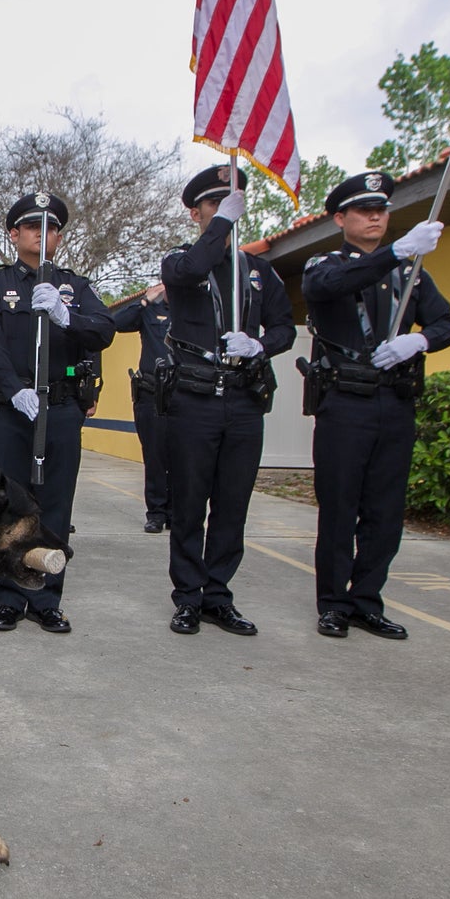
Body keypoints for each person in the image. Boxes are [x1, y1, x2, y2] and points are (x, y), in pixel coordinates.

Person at [302, 172, 450, 640]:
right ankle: (333, 603)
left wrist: (421, 341)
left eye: (381, 211)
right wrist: (397, 250)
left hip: (394, 401)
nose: (375, 217)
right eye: (363, 211)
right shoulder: (325, 264)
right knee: (339, 507)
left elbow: (448, 322)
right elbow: (327, 287)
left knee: (385, 511)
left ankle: (367, 600)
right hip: (344, 404)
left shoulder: (409, 275)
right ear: (340, 219)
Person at [0, 192, 115, 634]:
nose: (43, 233)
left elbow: (105, 329)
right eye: (33, 226)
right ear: (14, 235)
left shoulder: (77, 286)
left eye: (51, 227)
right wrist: (13, 390)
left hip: (62, 409)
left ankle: (47, 598)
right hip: (12, 411)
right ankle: (10, 598)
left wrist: (66, 315)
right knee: (10, 506)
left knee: (55, 506)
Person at [160, 166, 295, 636]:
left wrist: (261, 345)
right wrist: (219, 228)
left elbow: (284, 325)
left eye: (231, 203)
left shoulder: (257, 271)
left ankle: (218, 594)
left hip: (242, 399)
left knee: (233, 505)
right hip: (194, 399)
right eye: (214, 204)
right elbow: (196, 267)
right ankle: (188, 596)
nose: (224, 212)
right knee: (190, 504)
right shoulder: (179, 262)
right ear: (195, 212)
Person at [110, 282, 173, 533]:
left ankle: (178, 512)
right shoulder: (149, 310)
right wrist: (145, 300)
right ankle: (157, 512)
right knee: (155, 456)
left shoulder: (195, 308)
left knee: (186, 458)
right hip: (152, 393)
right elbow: (117, 323)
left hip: (185, 394)